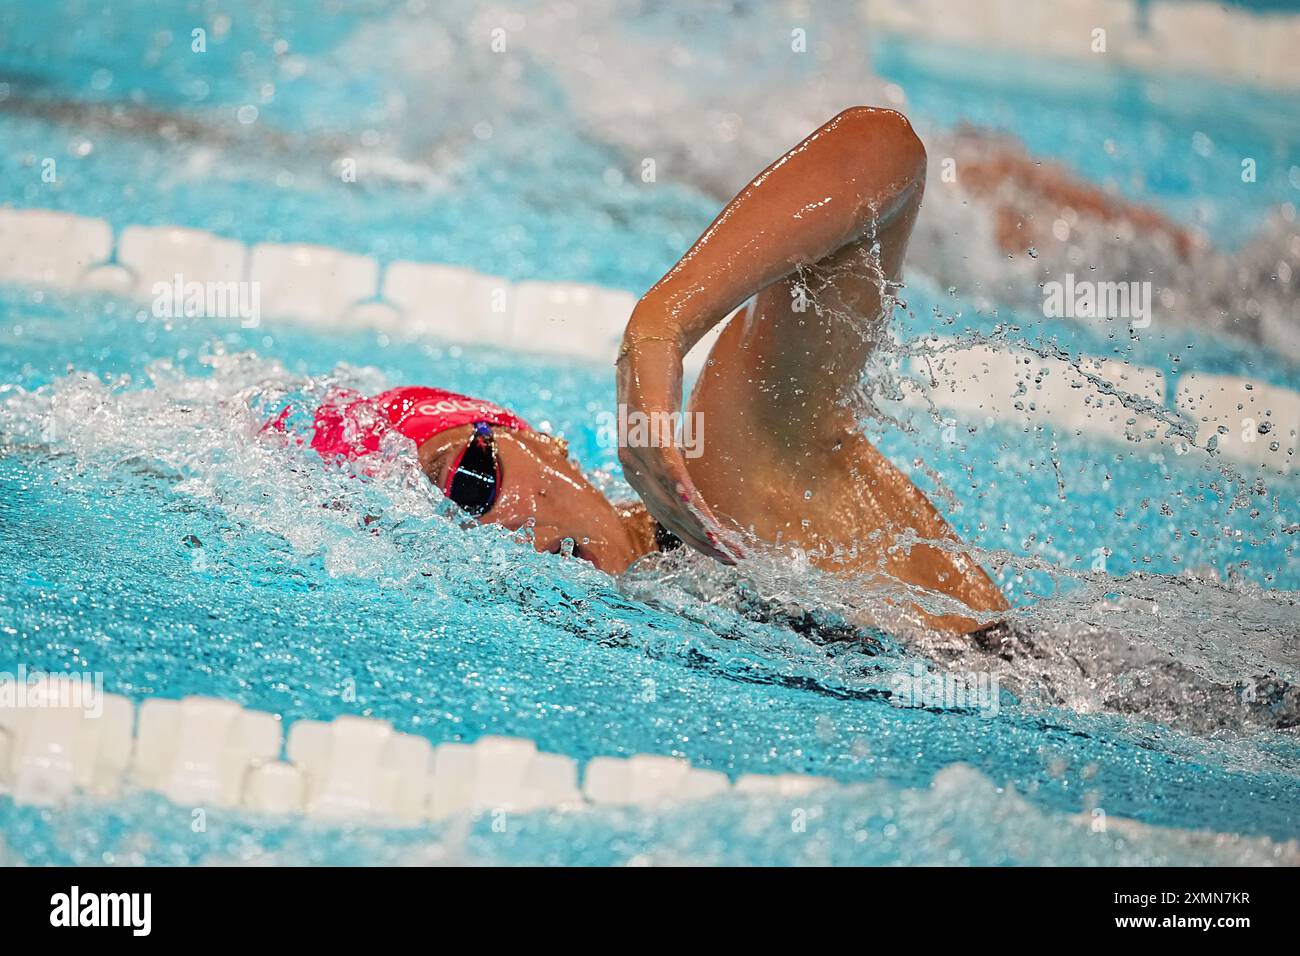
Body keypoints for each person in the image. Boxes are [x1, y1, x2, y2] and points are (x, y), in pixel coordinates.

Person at [301, 108, 1009, 633]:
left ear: (536, 440)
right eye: (435, 544)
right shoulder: (655, 607)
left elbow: (883, 149)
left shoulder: (727, 470)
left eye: (470, 483)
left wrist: (658, 328)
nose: (495, 536)